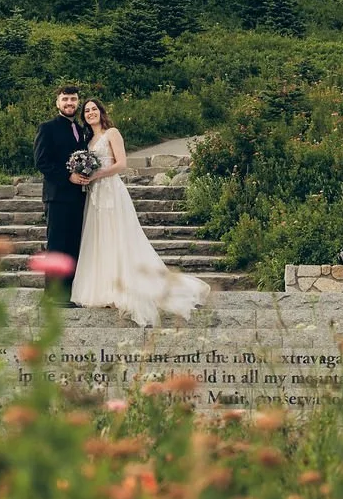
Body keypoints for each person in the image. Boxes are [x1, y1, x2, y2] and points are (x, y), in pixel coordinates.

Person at [71, 98, 211, 326]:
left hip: (111, 190)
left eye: (94, 109)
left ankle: (127, 286)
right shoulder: (89, 139)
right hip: (94, 194)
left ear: (101, 111)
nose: (90, 113)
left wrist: (96, 175)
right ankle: (103, 287)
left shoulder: (111, 133)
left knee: (118, 237)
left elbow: (121, 164)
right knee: (100, 239)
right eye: (86, 111)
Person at [33, 85, 89, 304]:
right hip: (57, 196)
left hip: (78, 197)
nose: (69, 103)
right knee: (57, 245)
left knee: (73, 244)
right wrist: (68, 177)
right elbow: (42, 162)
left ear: (77, 102)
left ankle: (69, 293)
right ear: (57, 103)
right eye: (65, 99)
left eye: (73, 99)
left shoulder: (81, 130)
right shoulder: (47, 128)